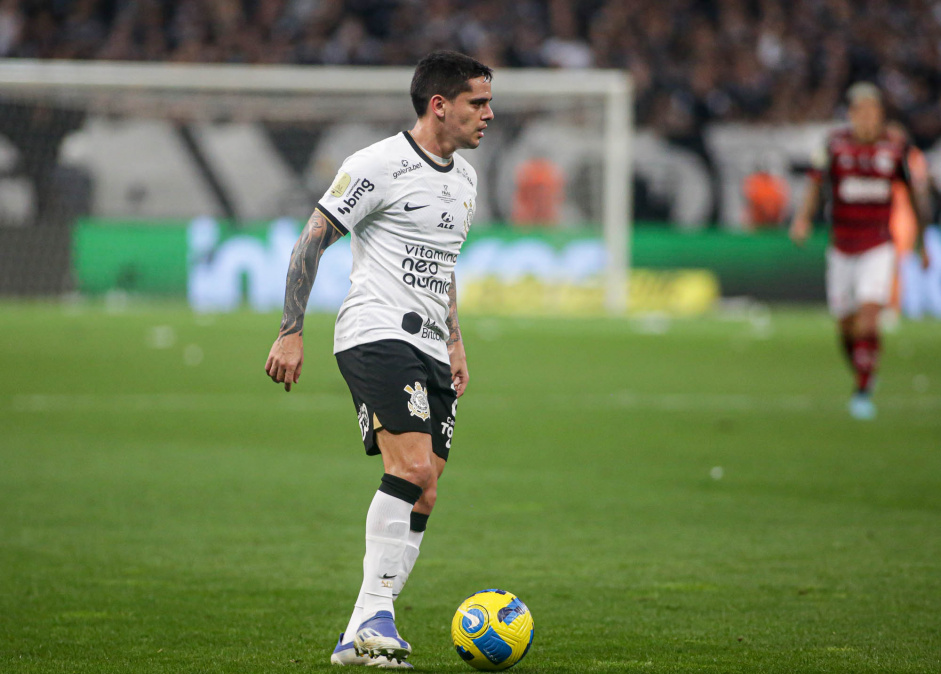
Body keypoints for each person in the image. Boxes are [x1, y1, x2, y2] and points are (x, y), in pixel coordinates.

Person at [264, 51, 494, 667]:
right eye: (478, 103)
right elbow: (313, 237)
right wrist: (291, 330)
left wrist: (454, 339)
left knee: (426, 491)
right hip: (374, 332)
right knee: (414, 468)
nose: (489, 115)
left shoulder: (466, 179)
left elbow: (439, 263)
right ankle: (374, 620)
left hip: (430, 344)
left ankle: (358, 634)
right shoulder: (377, 165)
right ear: (438, 105)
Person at [789, 83, 930, 420]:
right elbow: (815, 184)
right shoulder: (835, 146)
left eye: (873, 111)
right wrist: (803, 219)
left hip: (878, 246)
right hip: (841, 246)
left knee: (869, 318)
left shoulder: (895, 150)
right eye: (860, 111)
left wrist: (921, 242)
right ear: (851, 115)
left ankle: (863, 390)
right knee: (846, 328)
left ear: (880, 115)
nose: (867, 118)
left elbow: (913, 196)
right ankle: (865, 368)